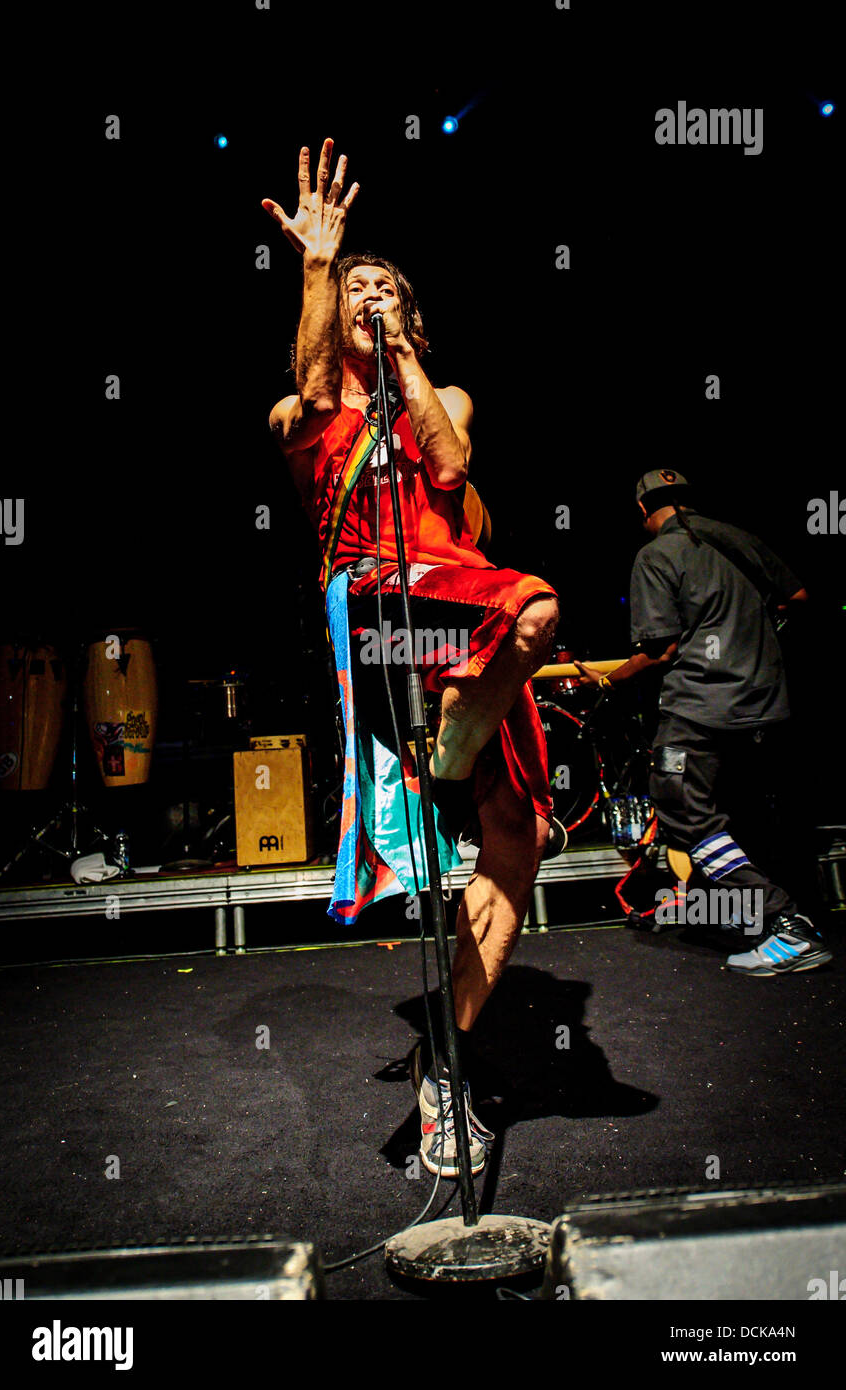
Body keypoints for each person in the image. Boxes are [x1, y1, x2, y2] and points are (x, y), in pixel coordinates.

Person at [263, 138, 562, 1175]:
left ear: (411, 312)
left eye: (383, 284)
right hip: (391, 611)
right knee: (535, 611)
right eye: (355, 286)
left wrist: (400, 353)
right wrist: (315, 265)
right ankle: (450, 740)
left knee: (516, 840)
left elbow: (452, 458)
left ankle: (450, 1060)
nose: (367, 291)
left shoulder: (440, 390)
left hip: (461, 604)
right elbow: (307, 394)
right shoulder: (309, 416)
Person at [576, 469, 832, 978]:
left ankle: (785, 922)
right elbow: (800, 601)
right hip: (768, 702)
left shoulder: (656, 555)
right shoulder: (739, 538)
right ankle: (753, 917)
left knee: (682, 810)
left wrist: (606, 683)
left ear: (644, 510)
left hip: (701, 707)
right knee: (741, 809)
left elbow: (659, 649)